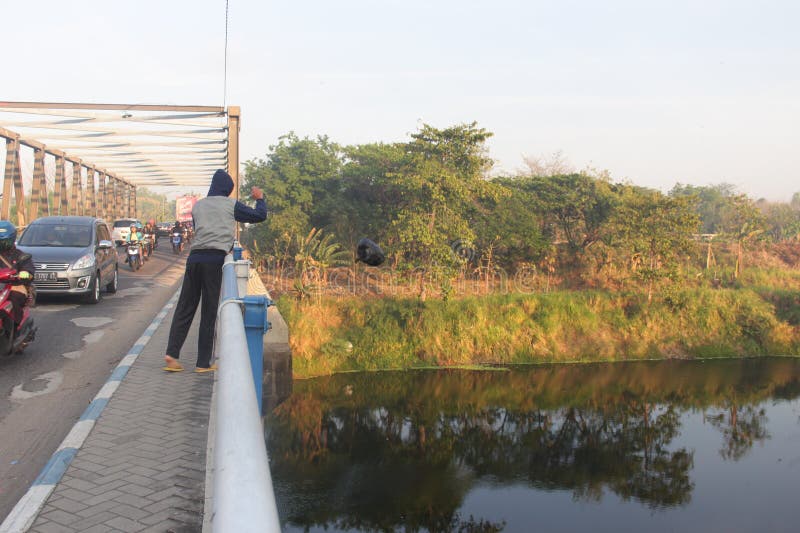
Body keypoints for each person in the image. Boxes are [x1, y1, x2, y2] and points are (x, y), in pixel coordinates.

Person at [164, 169, 266, 372]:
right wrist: (260, 199)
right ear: (227, 189)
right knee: (209, 311)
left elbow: (200, 229)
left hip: (194, 259)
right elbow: (259, 216)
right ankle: (203, 363)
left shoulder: (198, 206)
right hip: (214, 259)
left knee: (185, 307)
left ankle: (172, 355)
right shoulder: (230, 204)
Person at [0, 221, 34, 325]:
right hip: (0, 287)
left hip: (15, 286)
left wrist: (24, 273)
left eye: (4, 241)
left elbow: (29, 271)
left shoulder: (20, 256)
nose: (2, 244)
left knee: (13, 299)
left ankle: (15, 326)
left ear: (12, 239)